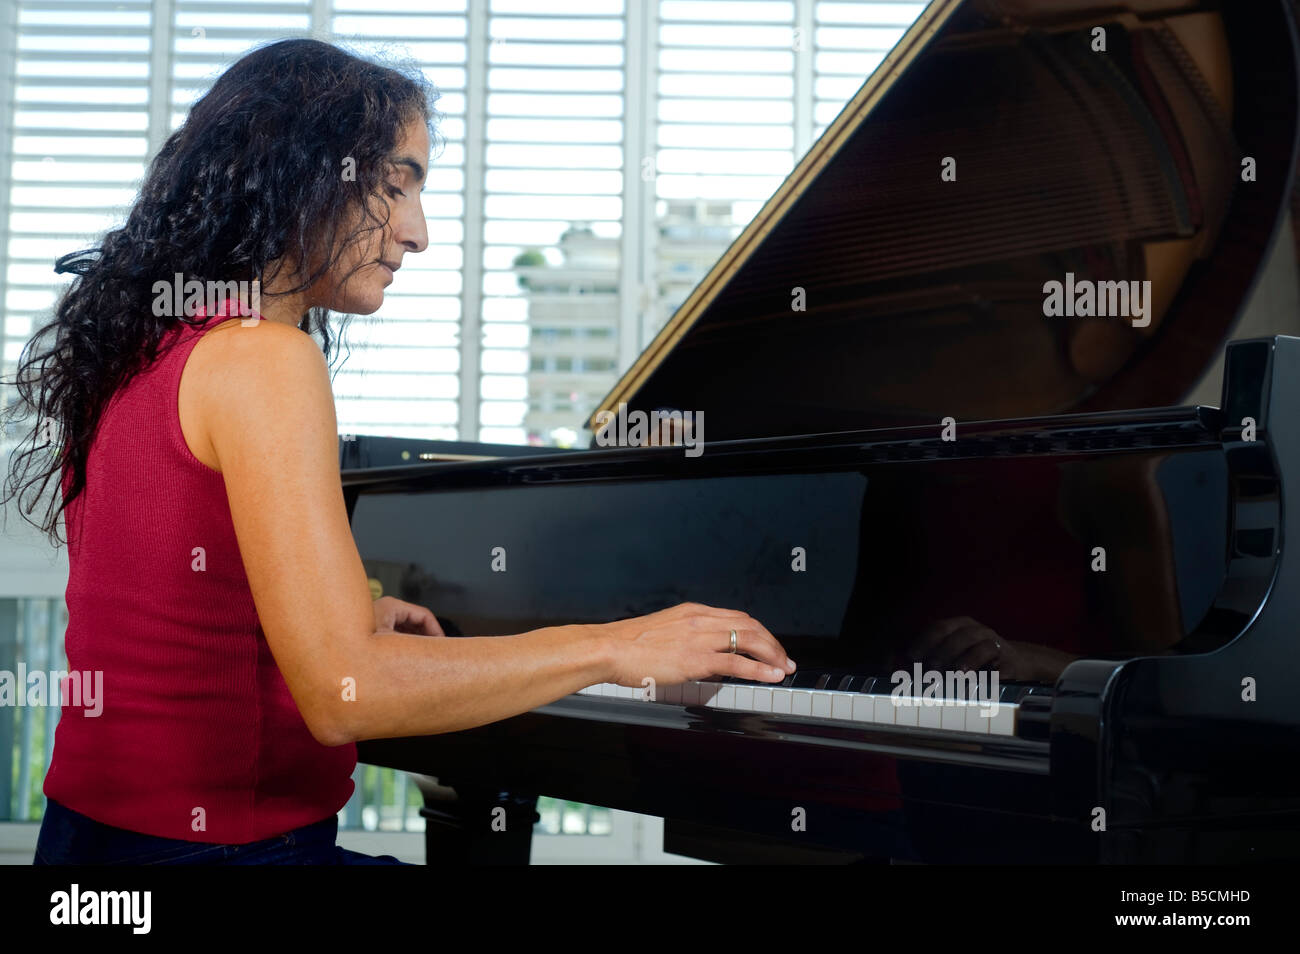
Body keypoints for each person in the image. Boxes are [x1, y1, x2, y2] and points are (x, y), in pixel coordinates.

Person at [2, 38, 794, 865]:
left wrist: (342, 623)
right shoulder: (264, 356)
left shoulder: (141, 350)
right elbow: (348, 694)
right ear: (302, 174)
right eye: (393, 185)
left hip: (91, 848)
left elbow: (169, 616)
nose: (416, 232)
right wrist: (616, 645)